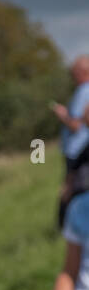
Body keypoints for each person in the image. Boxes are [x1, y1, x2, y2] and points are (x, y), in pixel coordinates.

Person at [53, 55, 89, 229]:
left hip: (78, 150)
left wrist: (62, 115)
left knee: (72, 187)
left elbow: (75, 124)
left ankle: (66, 227)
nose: (72, 76)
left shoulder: (84, 91)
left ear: (82, 72)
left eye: (73, 73)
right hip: (81, 148)